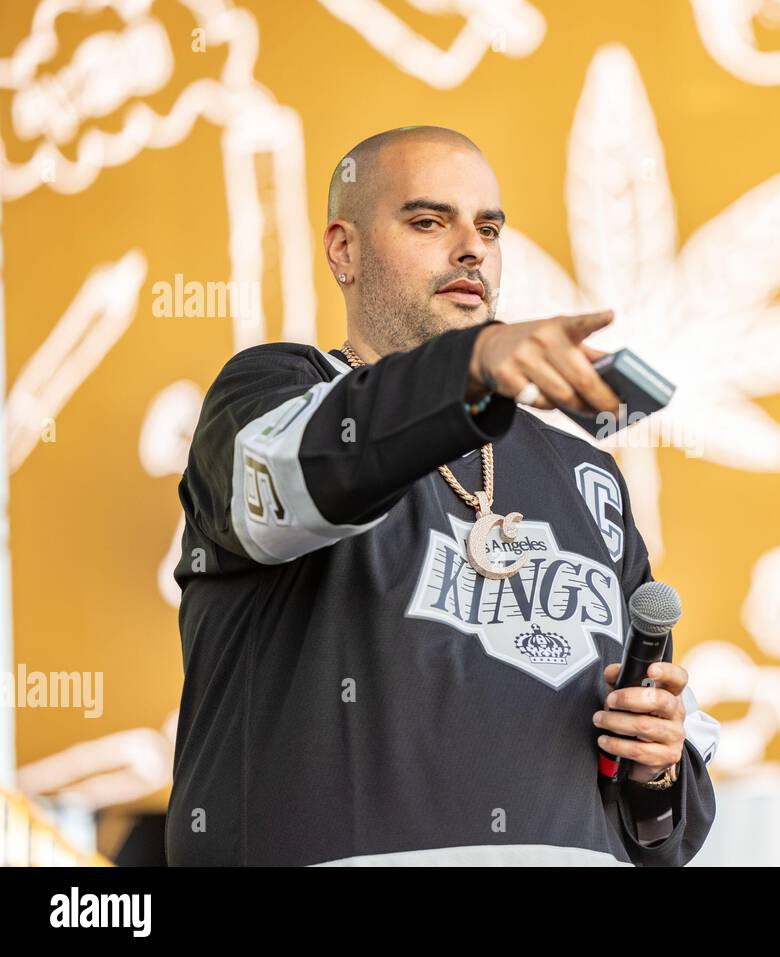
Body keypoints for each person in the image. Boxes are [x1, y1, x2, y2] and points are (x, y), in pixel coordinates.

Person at [164, 126, 719, 866]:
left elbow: (650, 835)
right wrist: (470, 365)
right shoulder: (270, 396)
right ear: (344, 249)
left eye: (488, 228)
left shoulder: (588, 476)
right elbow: (297, 476)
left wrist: (655, 764)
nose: (472, 249)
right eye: (429, 221)